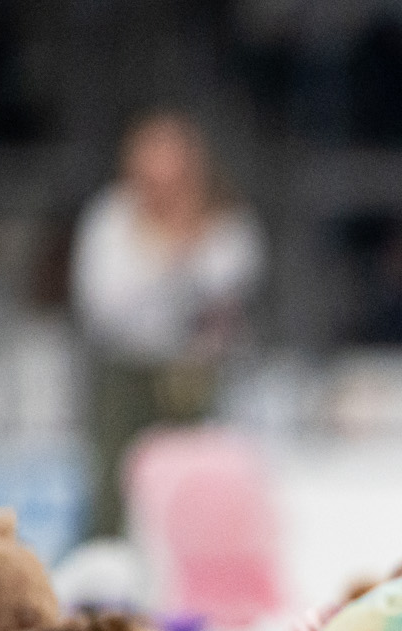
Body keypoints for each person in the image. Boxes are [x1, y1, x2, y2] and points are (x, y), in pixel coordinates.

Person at [71, 113, 263, 539]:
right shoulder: (113, 219)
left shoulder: (222, 217)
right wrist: (165, 255)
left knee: (200, 487)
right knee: (114, 489)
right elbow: (103, 304)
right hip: (128, 370)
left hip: (197, 371)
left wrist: (192, 245)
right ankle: (106, 572)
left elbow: (234, 287)